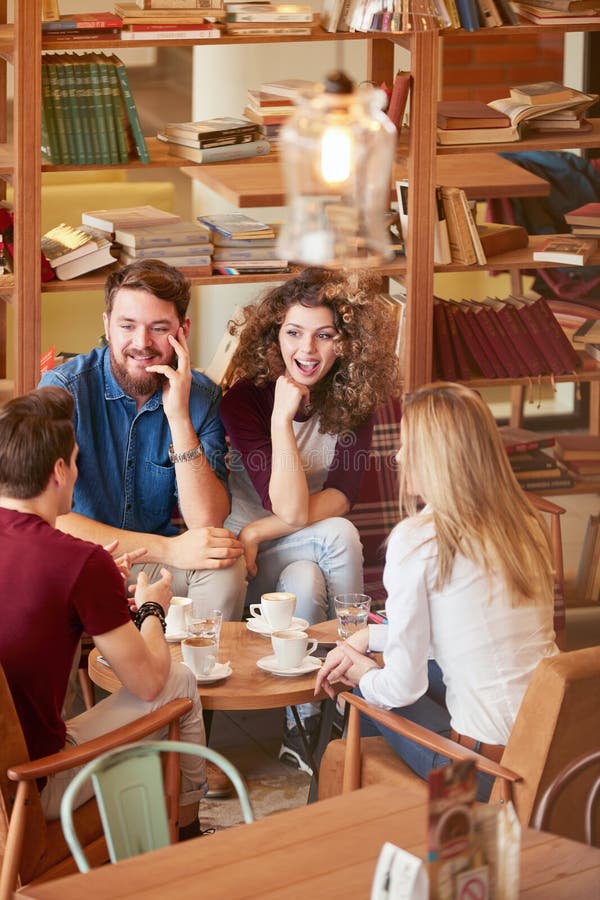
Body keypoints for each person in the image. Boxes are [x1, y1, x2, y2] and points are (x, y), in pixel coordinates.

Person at [316, 381, 559, 800]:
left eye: (408, 445)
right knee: (389, 675)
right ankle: (360, 813)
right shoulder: (524, 523)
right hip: (551, 745)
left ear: (436, 454)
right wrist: (370, 636)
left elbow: (401, 688)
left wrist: (360, 675)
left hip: (483, 773)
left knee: (364, 696)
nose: (397, 456)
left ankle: (352, 819)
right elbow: (465, 635)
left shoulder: (420, 540)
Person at [0, 387, 206, 835]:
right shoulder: (79, 562)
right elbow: (148, 683)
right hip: (30, 785)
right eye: (76, 461)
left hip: (7, 773)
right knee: (179, 682)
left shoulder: (81, 566)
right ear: (59, 470)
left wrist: (98, 585)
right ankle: (189, 833)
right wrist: (152, 608)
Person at [220, 267, 400, 773]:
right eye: (294, 333)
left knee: (306, 578)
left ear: (346, 343)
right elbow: (293, 507)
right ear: (274, 336)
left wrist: (259, 529)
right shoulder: (245, 400)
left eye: (325, 335)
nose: (308, 349)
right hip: (248, 562)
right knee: (338, 536)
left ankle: (301, 725)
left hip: (281, 544)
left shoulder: (352, 398)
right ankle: (351, 691)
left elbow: (340, 496)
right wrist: (281, 418)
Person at [39, 259, 246, 622]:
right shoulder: (63, 390)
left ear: (183, 330)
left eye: (159, 328)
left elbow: (207, 520)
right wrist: (168, 549)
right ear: (107, 325)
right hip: (79, 561)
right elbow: (46, 517)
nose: (141, 343)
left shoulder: (202, 396)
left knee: (225, 565)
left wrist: (179, 417)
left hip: (150, 568)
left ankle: (193, 660)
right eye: (127, 326)